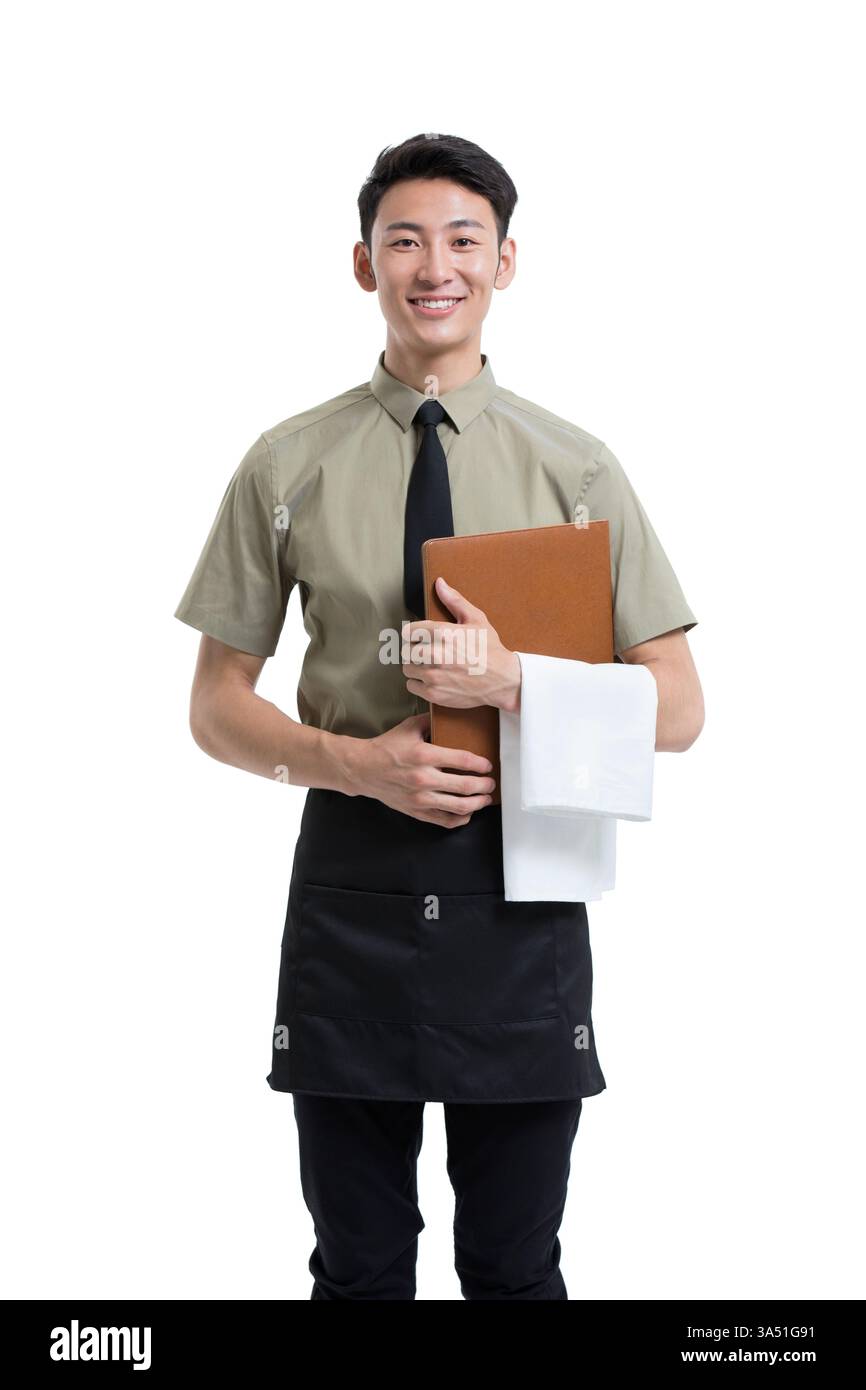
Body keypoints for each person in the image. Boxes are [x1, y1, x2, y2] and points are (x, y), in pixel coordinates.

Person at [174, 132, 705, 1300]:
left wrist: (514, 683)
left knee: (514, 1267)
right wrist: (353, 765)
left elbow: (676, 708)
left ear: (504, 263)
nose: (433, 266)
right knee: (357, 1266)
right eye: (402, 240)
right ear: (363, 265)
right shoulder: (286, 463)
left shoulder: (577, 469)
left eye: (462, 240)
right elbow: (215, 704)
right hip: (348, 885)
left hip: (521, 888)